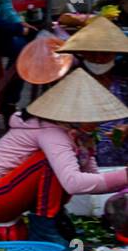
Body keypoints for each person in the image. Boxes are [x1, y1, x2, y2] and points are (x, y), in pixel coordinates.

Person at [0, 68, 128, 245]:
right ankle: (44, 232)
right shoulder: (51, 132)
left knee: (64, 164)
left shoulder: (73, 132)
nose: (98, 122)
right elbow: (74, 183)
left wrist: (87, 147)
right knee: (50, 163)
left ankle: (55, 221)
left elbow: (91, 178)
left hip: (9, 194)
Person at [55, 14, 128, 169]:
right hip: (79, 161)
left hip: (121, 159)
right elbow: (56, 123)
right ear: (83, 52)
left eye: (105, 53)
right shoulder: (70, 82)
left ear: (115, 54)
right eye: (92, 53)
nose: (98, 58)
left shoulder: (123, 81)